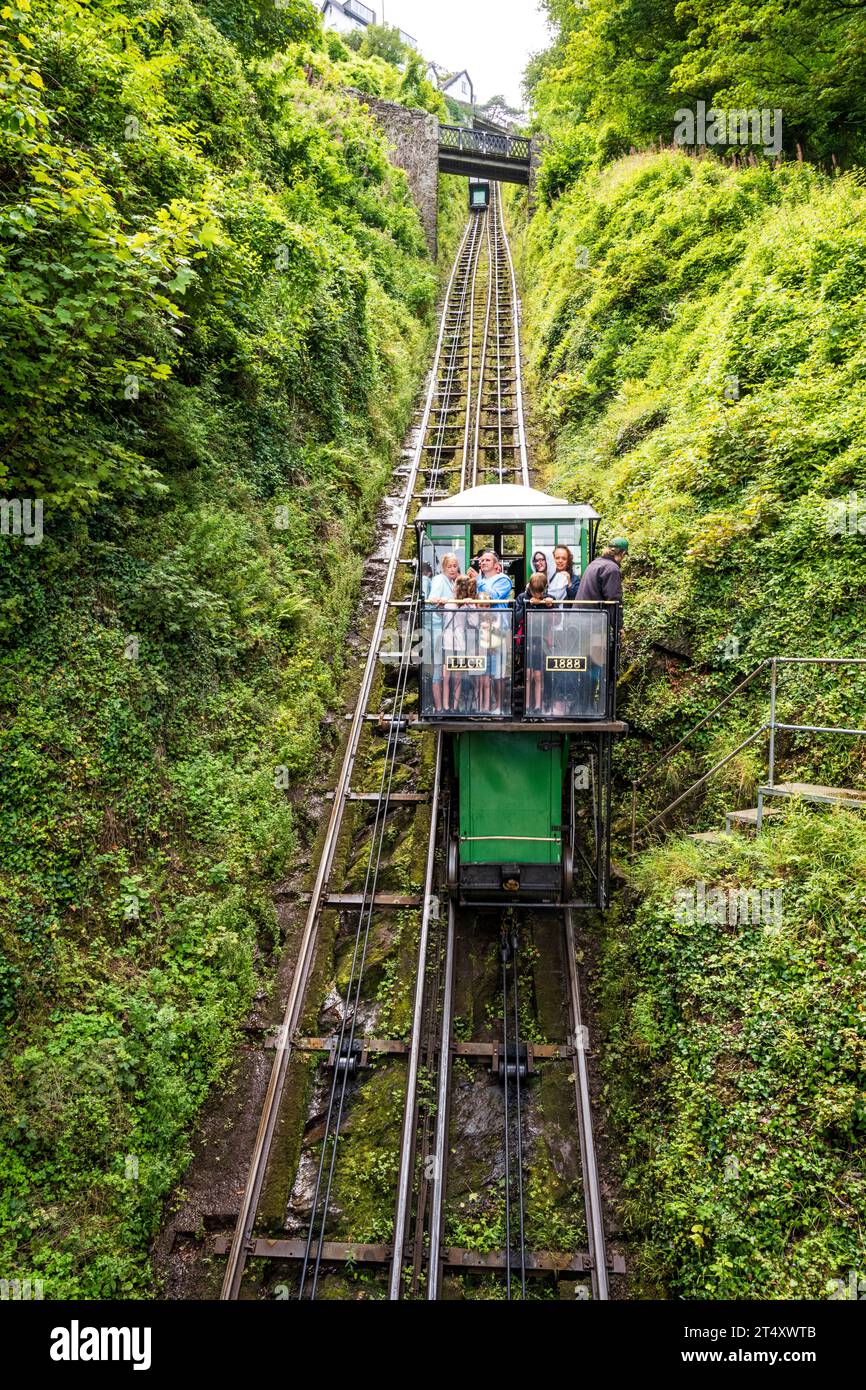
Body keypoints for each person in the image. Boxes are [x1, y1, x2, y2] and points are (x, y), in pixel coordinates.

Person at [475, 551, 512, 714]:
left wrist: (477, 580)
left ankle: (500, 706)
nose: (483, 562)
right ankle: (484, 705)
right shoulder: (479, 580)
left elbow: (492, 596)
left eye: (487, 560)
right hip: (481, 629)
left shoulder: (503, 579)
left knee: (499, 671)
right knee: (484, 670)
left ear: (496, 565)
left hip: (498, 629)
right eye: (481, 560)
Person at [426, 553, 460, 712]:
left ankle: (447, 705)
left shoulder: (453, 582)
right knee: (439, 667)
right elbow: (432, 600)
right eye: (449, 566)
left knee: (449, 667)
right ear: (443, 567)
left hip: (449, 630)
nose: (453, 569)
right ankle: (438, 707)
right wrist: (440, 604)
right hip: (438, 629)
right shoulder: (440, 580)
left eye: (455, 566)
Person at [442, 575, 478, 712]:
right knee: (447, 676)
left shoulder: (464, 604)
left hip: (458, 644)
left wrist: (471, 605)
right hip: (449, 643)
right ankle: (447, 706)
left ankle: (453, 706)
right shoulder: (448, 602)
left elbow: (474, 622)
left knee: (455, 676)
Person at [518, 572, 553, 713]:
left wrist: (549, 604)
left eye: (540, 593)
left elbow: (556, 618)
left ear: (544, 589)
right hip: (527, 641)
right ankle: (527, 705)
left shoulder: (549, 599)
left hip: (542, 642)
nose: (538, 596)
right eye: (535, 592)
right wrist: (528, 604)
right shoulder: (522, 598)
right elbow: (516, 617)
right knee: (527, 675)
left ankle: (538, 705)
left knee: (539, 675)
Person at [575, 538, 627, 632]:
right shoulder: (612, 568)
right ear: (623, 554)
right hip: (592, 623)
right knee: (596, 647)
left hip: (578, 618)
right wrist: (618, 627)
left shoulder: (595, 563)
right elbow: (613, 600)